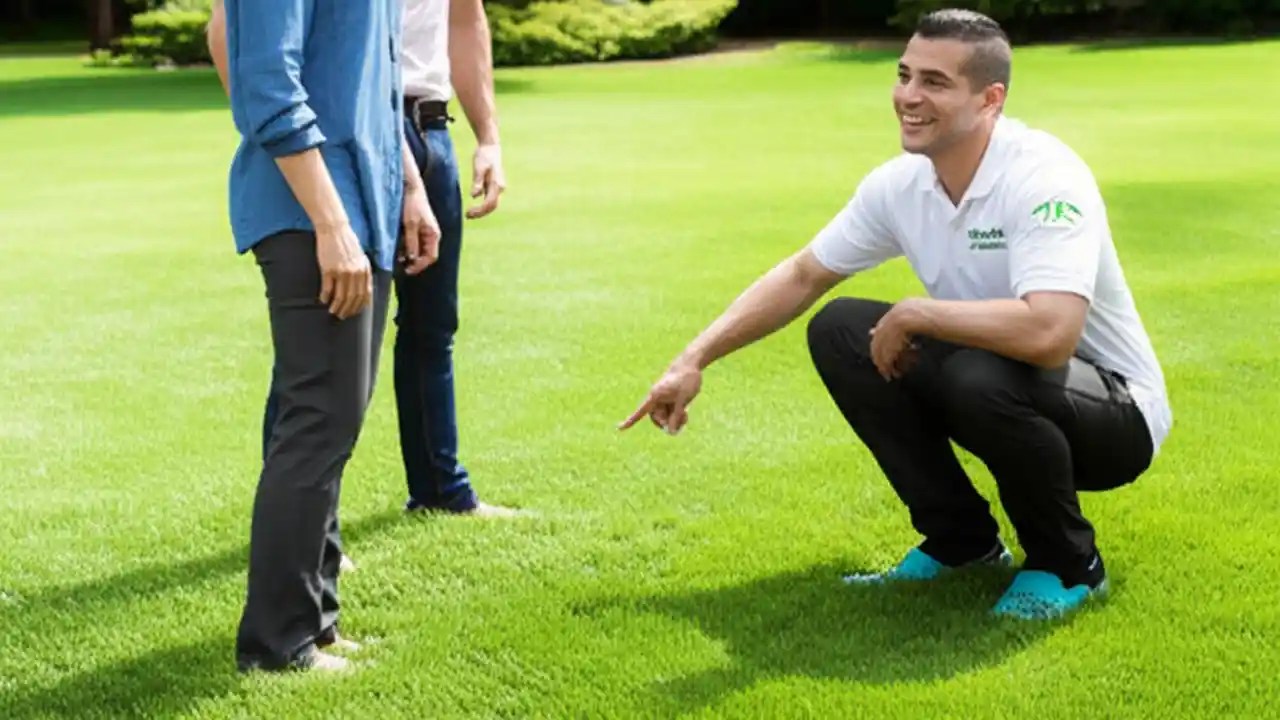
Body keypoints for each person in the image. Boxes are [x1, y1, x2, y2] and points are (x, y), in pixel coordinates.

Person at [619, 8, 1171, 621]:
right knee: (841, 330)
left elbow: (1051, 335)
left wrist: (919, 313)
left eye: (934, 83)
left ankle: (1069, 566)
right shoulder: (900, 185)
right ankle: (962, 544)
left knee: (978, 375)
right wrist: (693, 358)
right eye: (904, 75)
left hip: (1115, 415)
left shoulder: (1044, 177)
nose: (908, 96)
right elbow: (804, 275)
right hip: (1006, 387)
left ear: (990, 99)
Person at [210, 0, 441, 672]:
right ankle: (279, 644)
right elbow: (266, 82)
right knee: (319, 418)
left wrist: (407, 190)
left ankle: (314, 622)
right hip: (312, 211)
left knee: (334, 418)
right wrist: (330, 223)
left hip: (363, 197)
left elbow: (368, 82)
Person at [395, 0, 517, 516]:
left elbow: (466, 18)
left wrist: (488, 137)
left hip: (432, 130)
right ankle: (309, 532)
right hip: (361, 131)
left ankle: (442, 492)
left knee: (433, 325)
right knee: (333, 338)